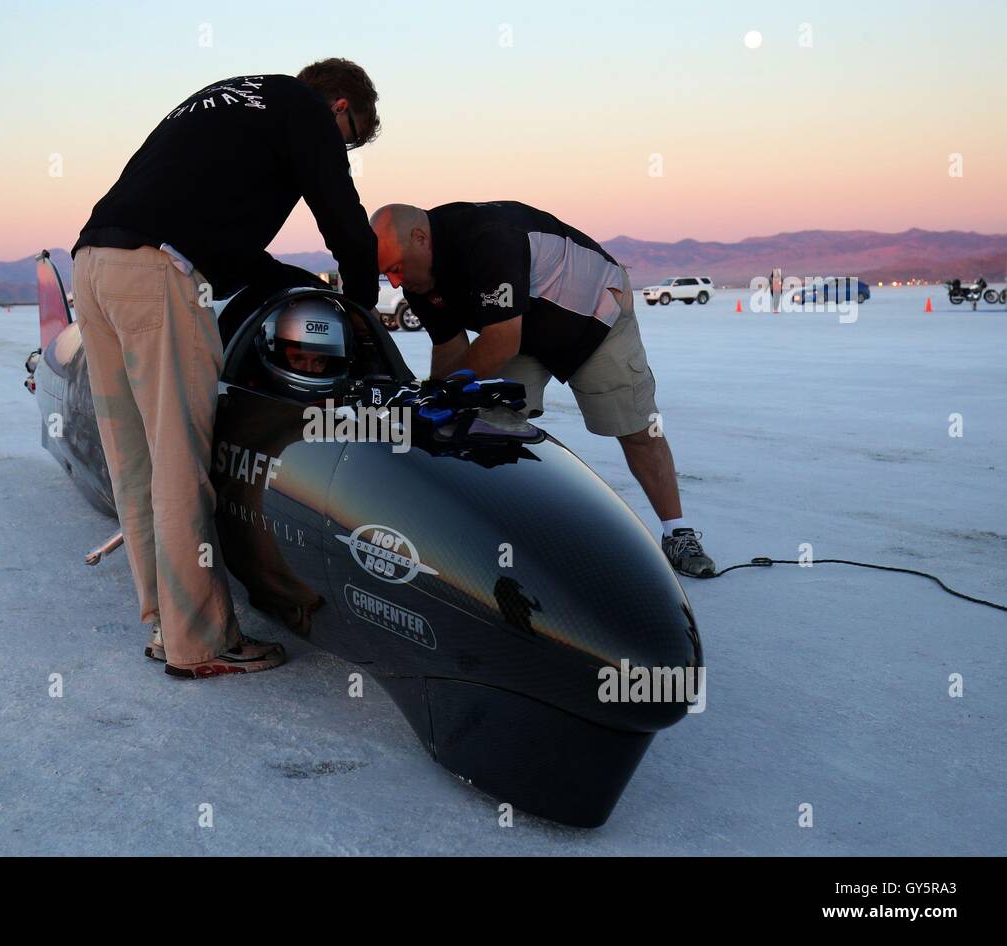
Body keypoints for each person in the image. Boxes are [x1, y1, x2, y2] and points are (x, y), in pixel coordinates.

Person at [72, 60, 382, 678]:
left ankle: (166, 625)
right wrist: (363, 299)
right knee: (180, 461)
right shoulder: (302, 108)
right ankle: (202, 643)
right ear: (342, 108)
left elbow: (227, 242)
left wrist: (289, 279)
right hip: (157, 273)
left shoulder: (230, 100)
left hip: (93, 264)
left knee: (136, 463)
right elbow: (338, 207)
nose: (338, 150)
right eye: (347, 140)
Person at [370, 201, 715, 577]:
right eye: (387, 274)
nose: (396, 282)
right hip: (526, 332)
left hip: (594, 313)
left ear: (421, 238)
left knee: (635, 429)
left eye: (396, 268)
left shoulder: (488, 238)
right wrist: (438, 401)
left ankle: (677, 531)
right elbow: (450, 347)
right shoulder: (421, 280)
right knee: (484, 420)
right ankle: (497, 534)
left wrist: (443, 393)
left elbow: (500, 341)